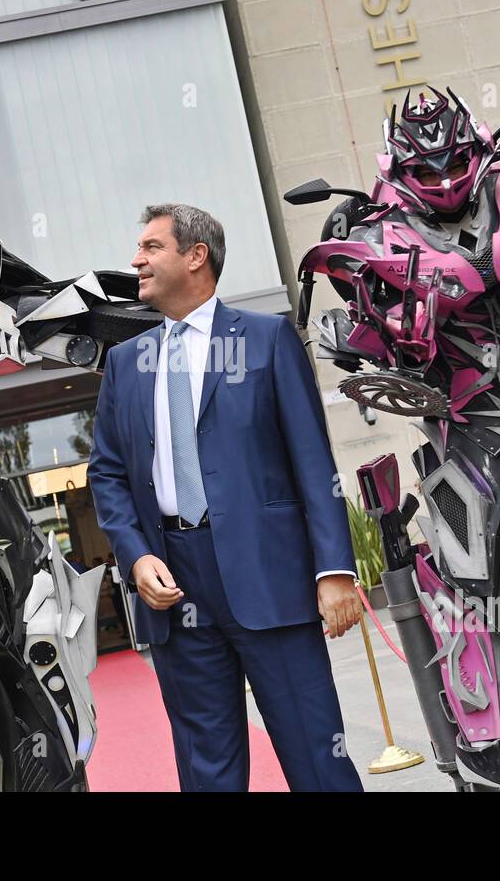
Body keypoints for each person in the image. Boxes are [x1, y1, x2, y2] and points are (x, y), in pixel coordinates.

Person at [87, 203, 364, 791]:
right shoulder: (125, 363)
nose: (135, 259)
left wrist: (335, 568)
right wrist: (135, 555)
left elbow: (312, 462)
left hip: (269, 577)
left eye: (151, 247)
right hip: (173, 587)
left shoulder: (265, 340)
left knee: (317, 754)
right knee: (207, 770)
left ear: (196, 256)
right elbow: (107, 474)